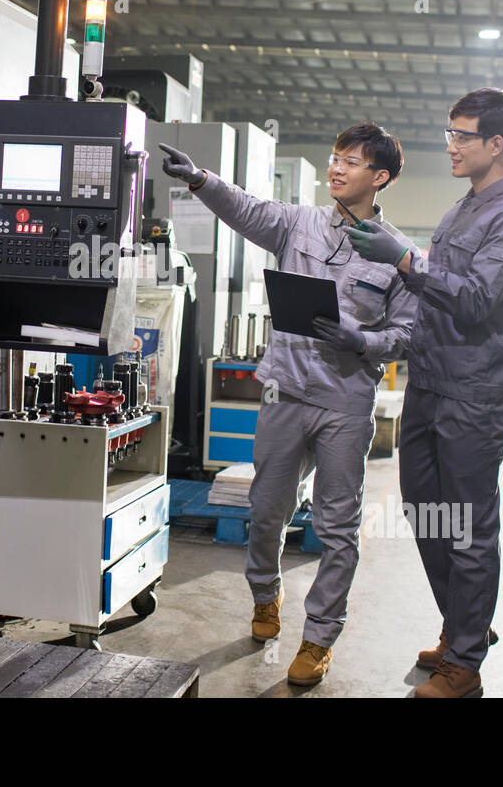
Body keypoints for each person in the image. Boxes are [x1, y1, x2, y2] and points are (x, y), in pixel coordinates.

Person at [159, 123, 417, 687]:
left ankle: (321, 635)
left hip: (345, 402)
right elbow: (246, 209)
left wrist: (365, 342)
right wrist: (201, 180)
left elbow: (406, 333)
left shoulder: (397, 255)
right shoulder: (298, 223)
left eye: (352, 161)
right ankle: (264, 596)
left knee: (337, 525)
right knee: (266, 509)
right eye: (336, 157)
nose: (337, 168)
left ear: (380, 178)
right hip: (284, 392)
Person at [342, 88, 503, 698]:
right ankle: (467, 628)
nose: (451, 145)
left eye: (463, 136)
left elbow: (478, 298)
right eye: (450, 133)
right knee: (427, 513)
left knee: (468, 527)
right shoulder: (464, 208)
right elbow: (438, 286)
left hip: (474, 394)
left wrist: (405, 259)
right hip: (429, 384)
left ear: (496, 144)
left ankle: (464, 663)